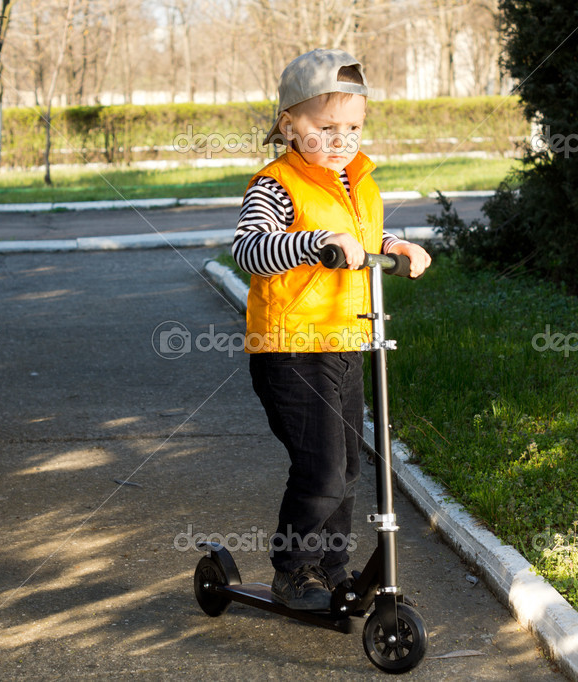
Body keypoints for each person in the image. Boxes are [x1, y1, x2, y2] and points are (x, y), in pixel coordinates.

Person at [231, 48, 431, 610]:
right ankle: (293, 572)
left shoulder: (356, 178)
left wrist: (393, 248)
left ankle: (332, 568)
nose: (341, 139)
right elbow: (249, 249)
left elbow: (360, 242)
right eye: (325, 127)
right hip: (292, 351)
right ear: (289, 124)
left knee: (346, 468)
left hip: (344, 343)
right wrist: (313, 245)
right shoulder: (277, 184)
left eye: (352, 127)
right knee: (320, 469)